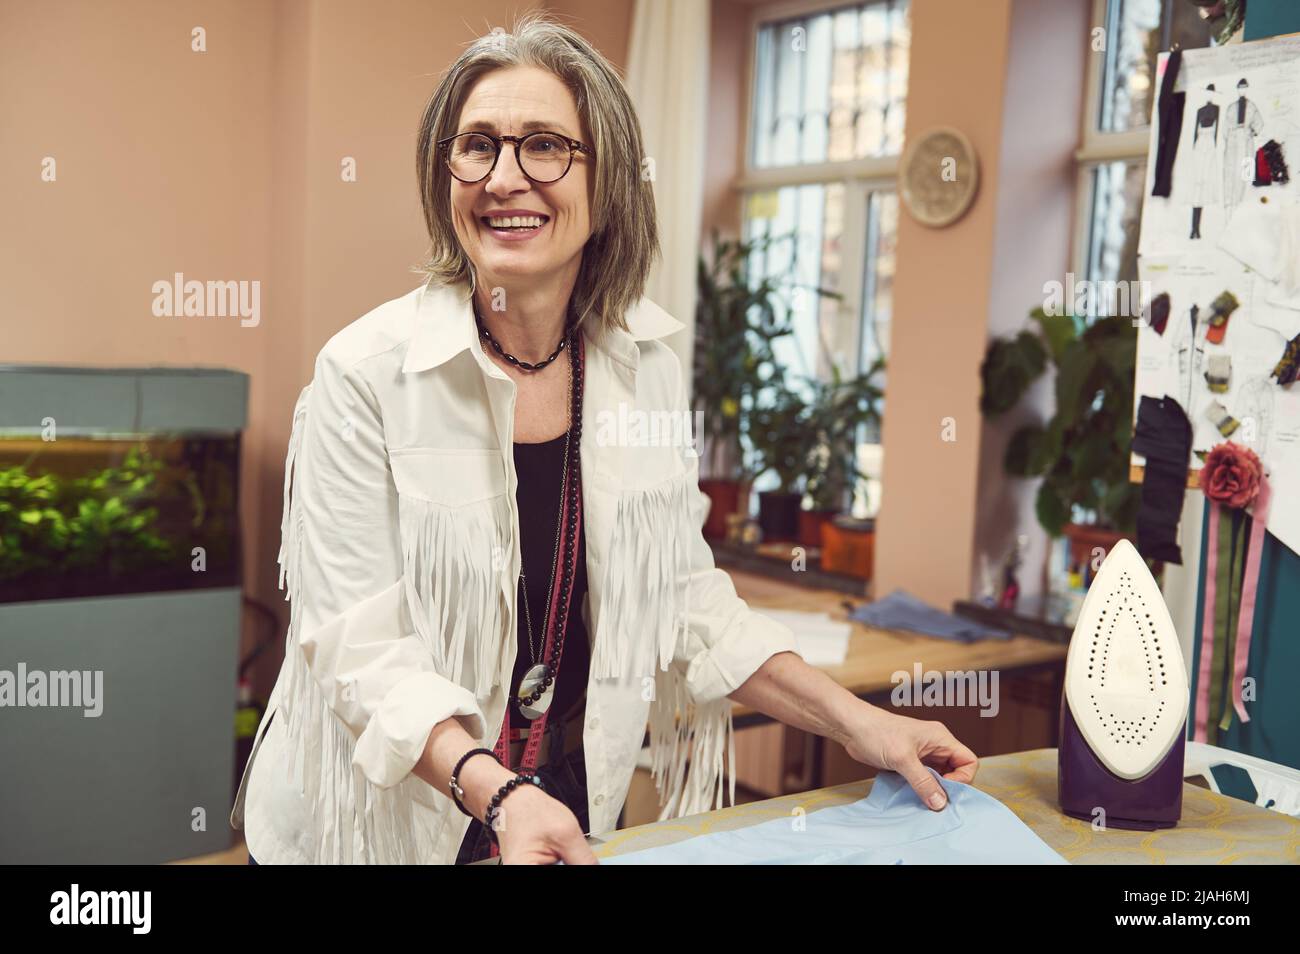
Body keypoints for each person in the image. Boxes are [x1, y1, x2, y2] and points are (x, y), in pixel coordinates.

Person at [232, 11, 978, 865]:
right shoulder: (363, 373)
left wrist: (863, 724)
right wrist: (497, 791)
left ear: (609, 180)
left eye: (544, 145)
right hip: (382, 832)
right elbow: (358, 650)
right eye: (477, 145)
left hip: (556, 809)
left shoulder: (642, 365)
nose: (504, 177)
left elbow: (686, 600)